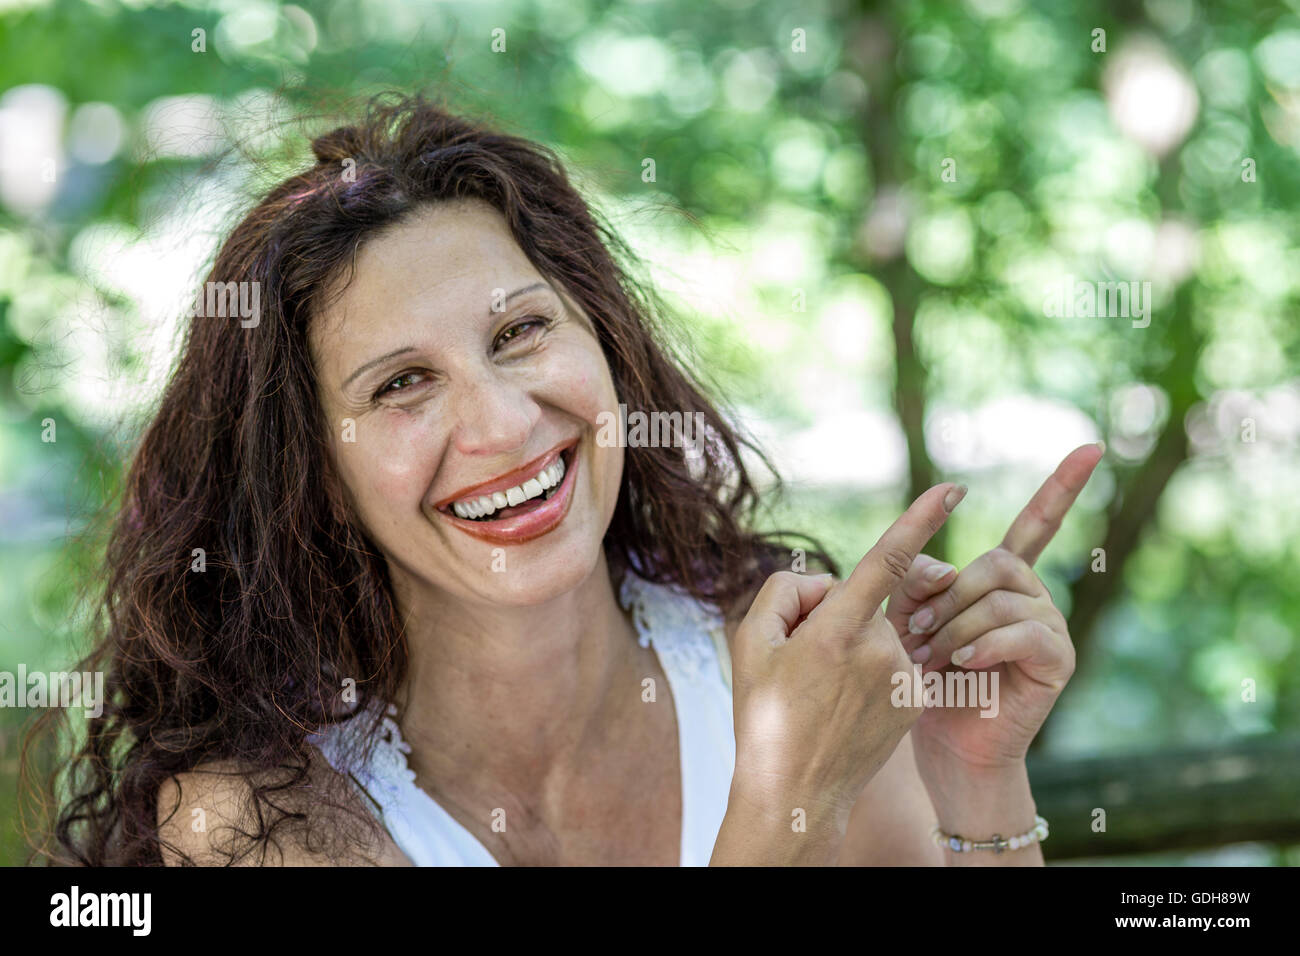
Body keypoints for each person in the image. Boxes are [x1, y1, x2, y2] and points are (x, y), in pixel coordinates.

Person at [36, 93, 1101, 866]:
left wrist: (974, 782)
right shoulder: (263, 821)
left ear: (606, 345)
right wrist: (782, 809)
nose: (501, 423)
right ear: (310, 473)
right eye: (404, 383)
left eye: (520, 330)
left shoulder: (793, 681)